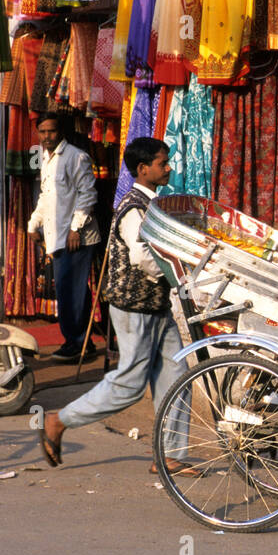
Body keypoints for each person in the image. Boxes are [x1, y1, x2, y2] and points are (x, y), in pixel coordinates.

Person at [38, 138, 192, 474]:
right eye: (162, 163)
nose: (168, 168)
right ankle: (58, 420)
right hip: (135, 306)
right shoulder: (134, 209)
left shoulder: (152, 204)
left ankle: (169, 455)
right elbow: (143, 258)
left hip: (156, 306)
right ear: (143, 169)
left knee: (177, 375)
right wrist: (180, 277)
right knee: (129, 384)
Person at [28, 113, 101, 362]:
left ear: (61, 132)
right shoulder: (43, 158)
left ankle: (76, 342)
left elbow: (88, 195)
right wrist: (33, 223)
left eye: (51, 131)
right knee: (68, 289)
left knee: (72, 290)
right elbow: (45, 196)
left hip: (75, 237)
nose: (47, 136)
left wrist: (75, 229)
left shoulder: (76, 156)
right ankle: (82, 341)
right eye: (42, 132)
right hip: (57, 234)